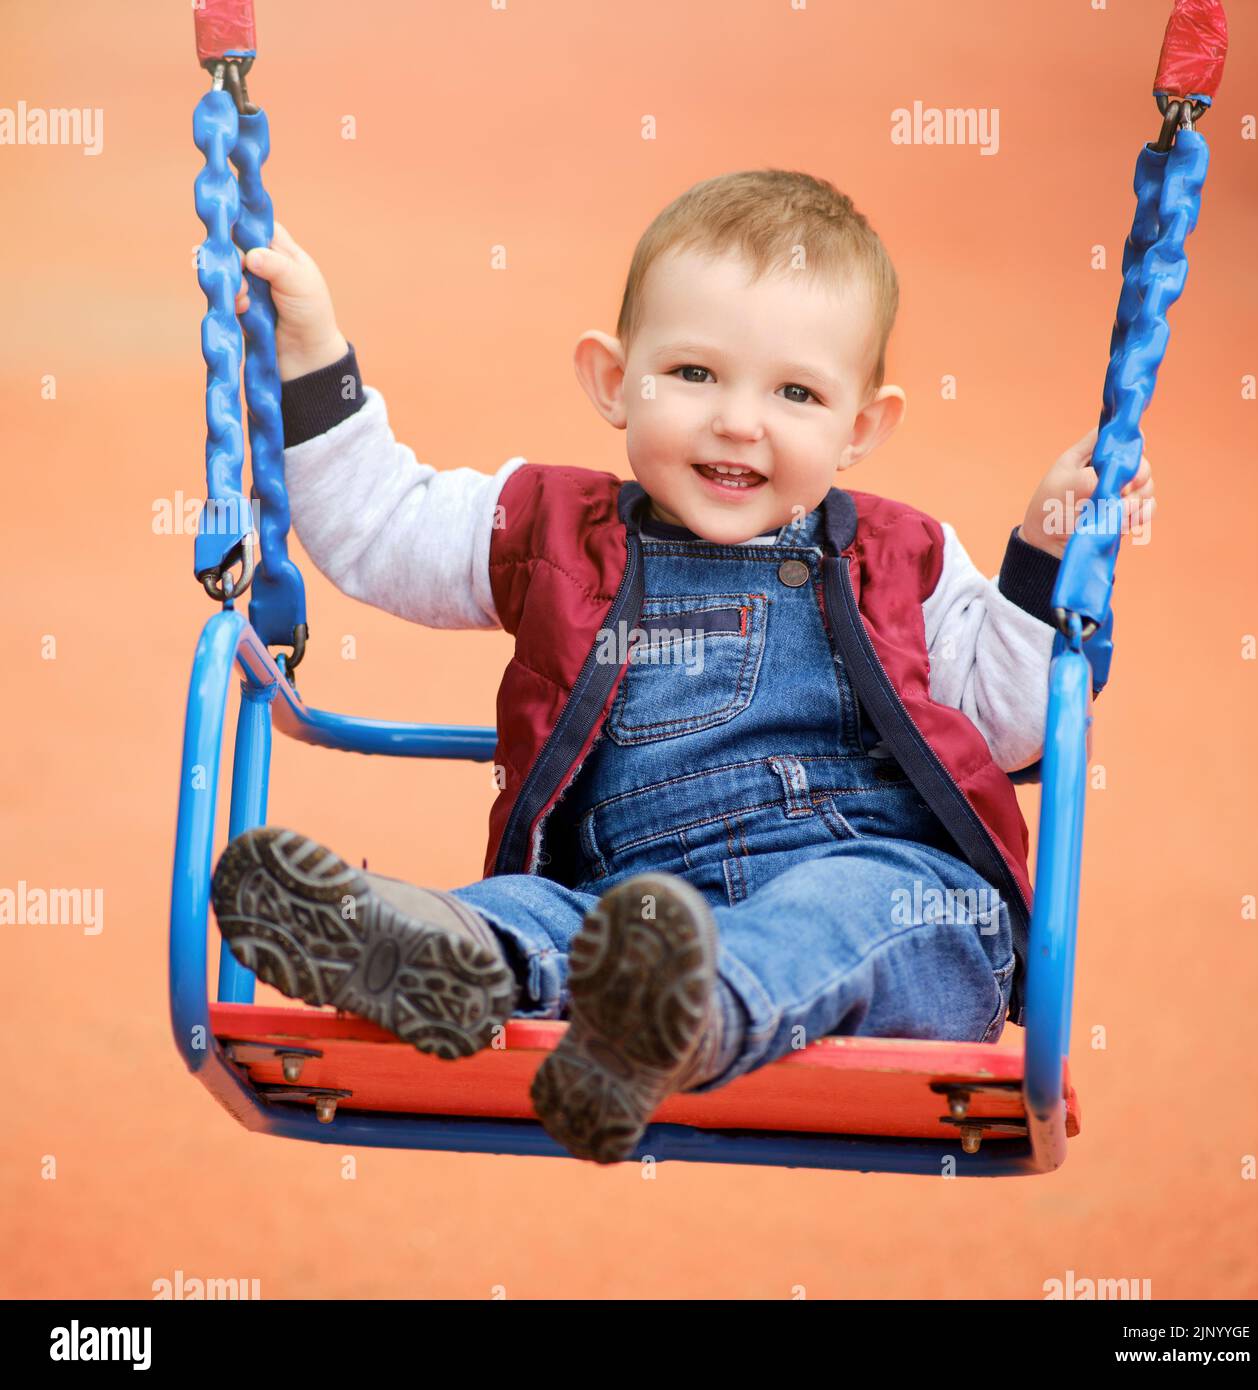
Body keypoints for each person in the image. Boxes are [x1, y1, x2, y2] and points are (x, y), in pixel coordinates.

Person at [211, 169, 1154, 1165]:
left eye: (795, 392)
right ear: (614, 380)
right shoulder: (551, 532)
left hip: (889, 896)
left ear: (861, 428)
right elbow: (382, 525)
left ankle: (681, 1016)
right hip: (634, 914)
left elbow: (1010, 724)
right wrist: (312, 357)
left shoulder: (902, 555)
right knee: (536, 917)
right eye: (695, 374)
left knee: (849, 911)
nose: (738, 421)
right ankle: (423, 951)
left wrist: (1050, 551)